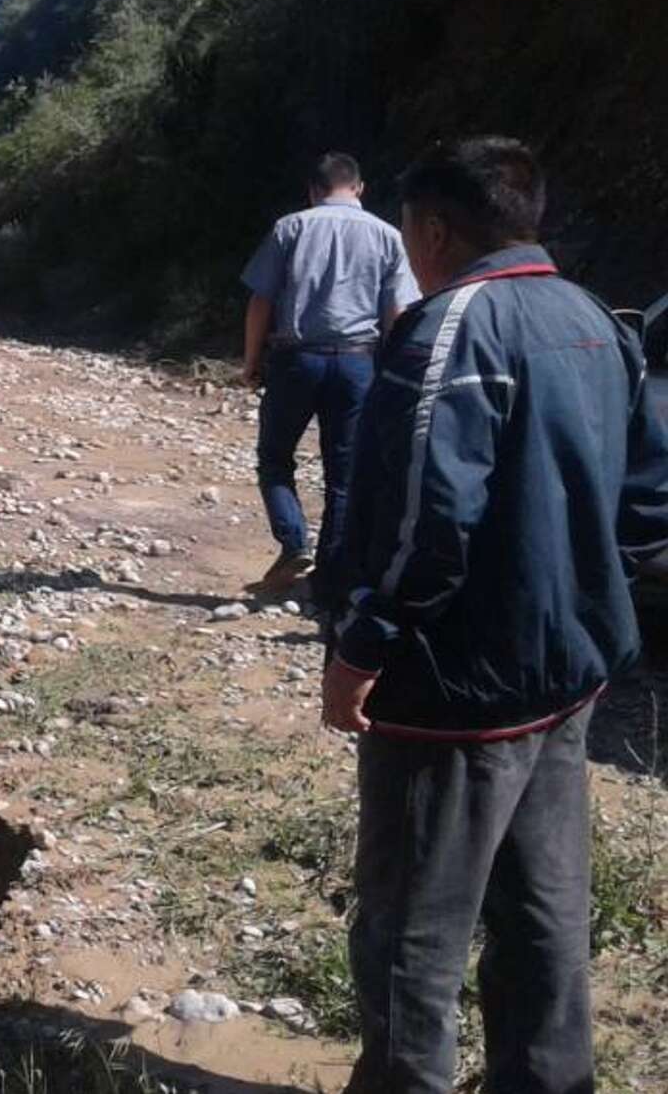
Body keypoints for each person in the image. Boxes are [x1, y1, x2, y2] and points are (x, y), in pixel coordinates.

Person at [323, 137, 668, 1094]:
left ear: (433, 230)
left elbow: (424, 518)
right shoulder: (600, 318)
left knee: (409, 933)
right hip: (570, 677)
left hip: (456, 690)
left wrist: (360, 645)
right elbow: (645, 500)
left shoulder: (448, 330)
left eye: (407, 237)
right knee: (546, 909)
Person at [240, 152, 422, 599]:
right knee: (345, 473)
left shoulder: (291, 227)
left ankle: (293, 540)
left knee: (275, 458)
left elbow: (261, 300)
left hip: (296, 359)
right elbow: (399, 311)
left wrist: (250, 361)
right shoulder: (389, 236)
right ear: (359, 188)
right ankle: (329, 580)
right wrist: (396, 374)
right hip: (359, 362)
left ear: (312, 189)